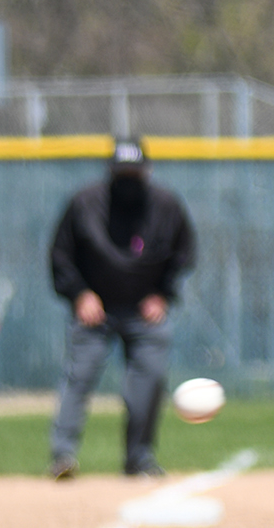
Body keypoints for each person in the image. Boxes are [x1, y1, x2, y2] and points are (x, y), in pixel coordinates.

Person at [47, 137, 196, 480]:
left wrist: (162, 293)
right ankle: (62, 456)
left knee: (149, 380)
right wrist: (80, 294)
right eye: (121, 173)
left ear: (148, 171)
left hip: (145, 312)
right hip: (94, 310)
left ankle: (139, 459)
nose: (127, 181)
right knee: (78, 378)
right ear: (109, 172)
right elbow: (61, 255)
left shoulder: (166, 205)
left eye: (134, 173)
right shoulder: (85, 203)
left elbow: (183, 254)